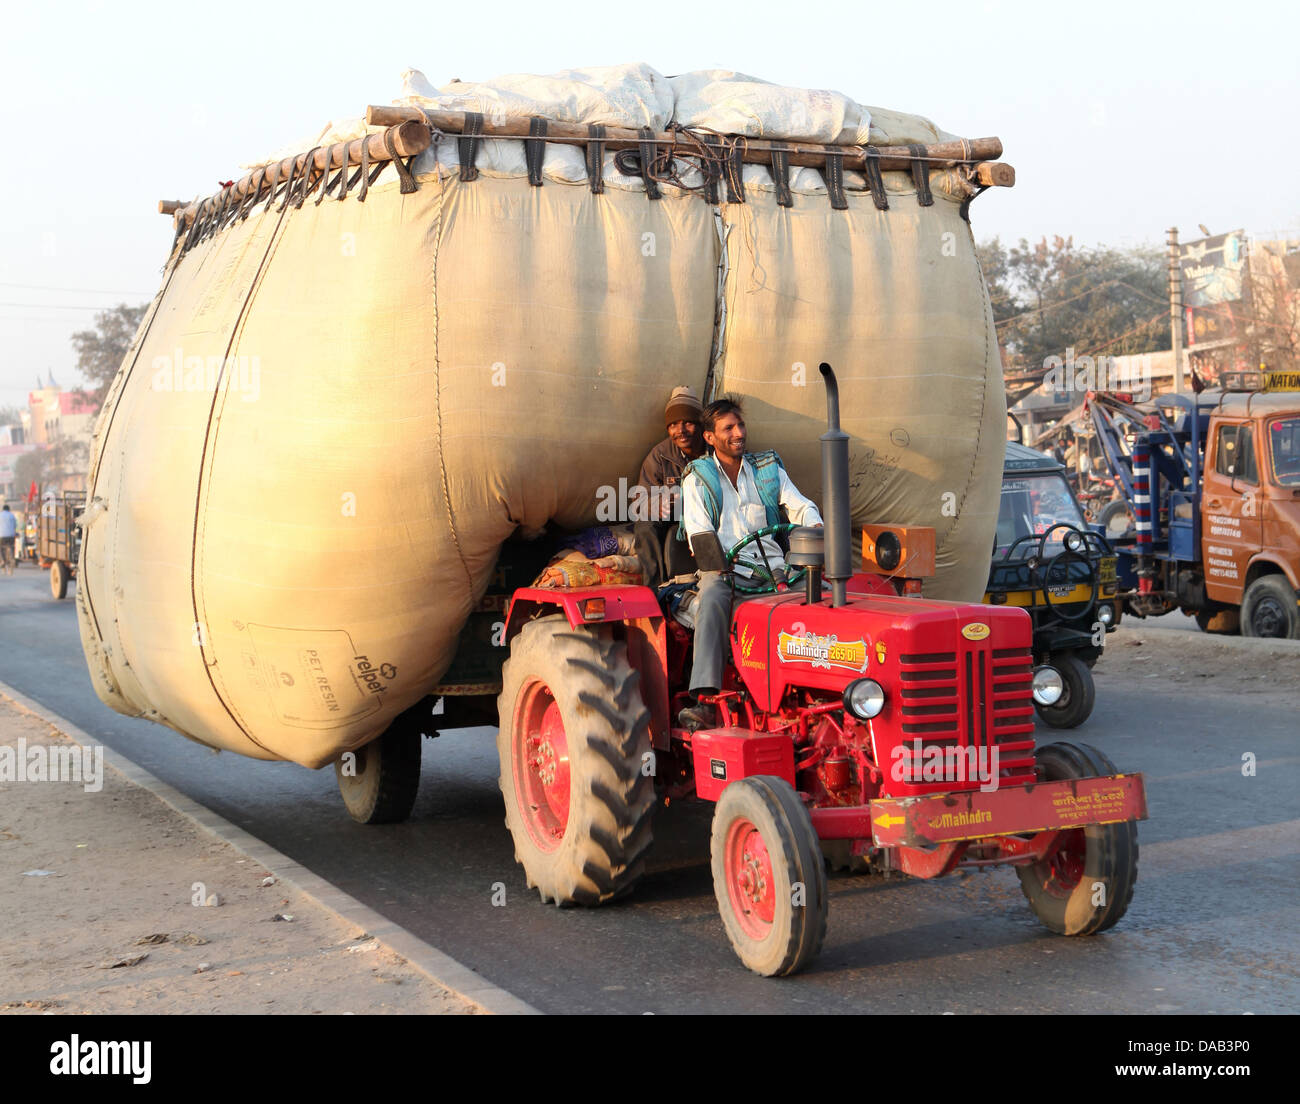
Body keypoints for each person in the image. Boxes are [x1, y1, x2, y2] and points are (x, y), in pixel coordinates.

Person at [677, 397, 822, 729]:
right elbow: (701, 536)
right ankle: (705, 700)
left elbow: (801, 506)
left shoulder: (767, 470)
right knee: (711, 598)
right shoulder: (698, 478)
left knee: (824, 593)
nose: (739, 433)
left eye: (740, 425)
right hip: (726, 571)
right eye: (728, 428)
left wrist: (813, 526)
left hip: (777, 570)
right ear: (710, 437)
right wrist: (721, 569)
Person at [633, 386, 706, 587]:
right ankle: (656, 589)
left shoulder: (716, 447)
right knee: (645, 524)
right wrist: (656, 505)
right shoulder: (660, 455)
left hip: (711, 513)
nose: (680, 431)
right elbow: (640, 500)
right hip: (674, 515)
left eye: (688, 423)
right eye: (673, 425)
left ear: (700, 424)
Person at [0, 504, 16, 576]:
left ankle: (2, 560)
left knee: (1, 548)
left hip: (2, 536)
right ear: (9, 509)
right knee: (12, 546)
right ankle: (12, 557)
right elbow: (15, 525)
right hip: (11, 536)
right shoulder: (12, 515)